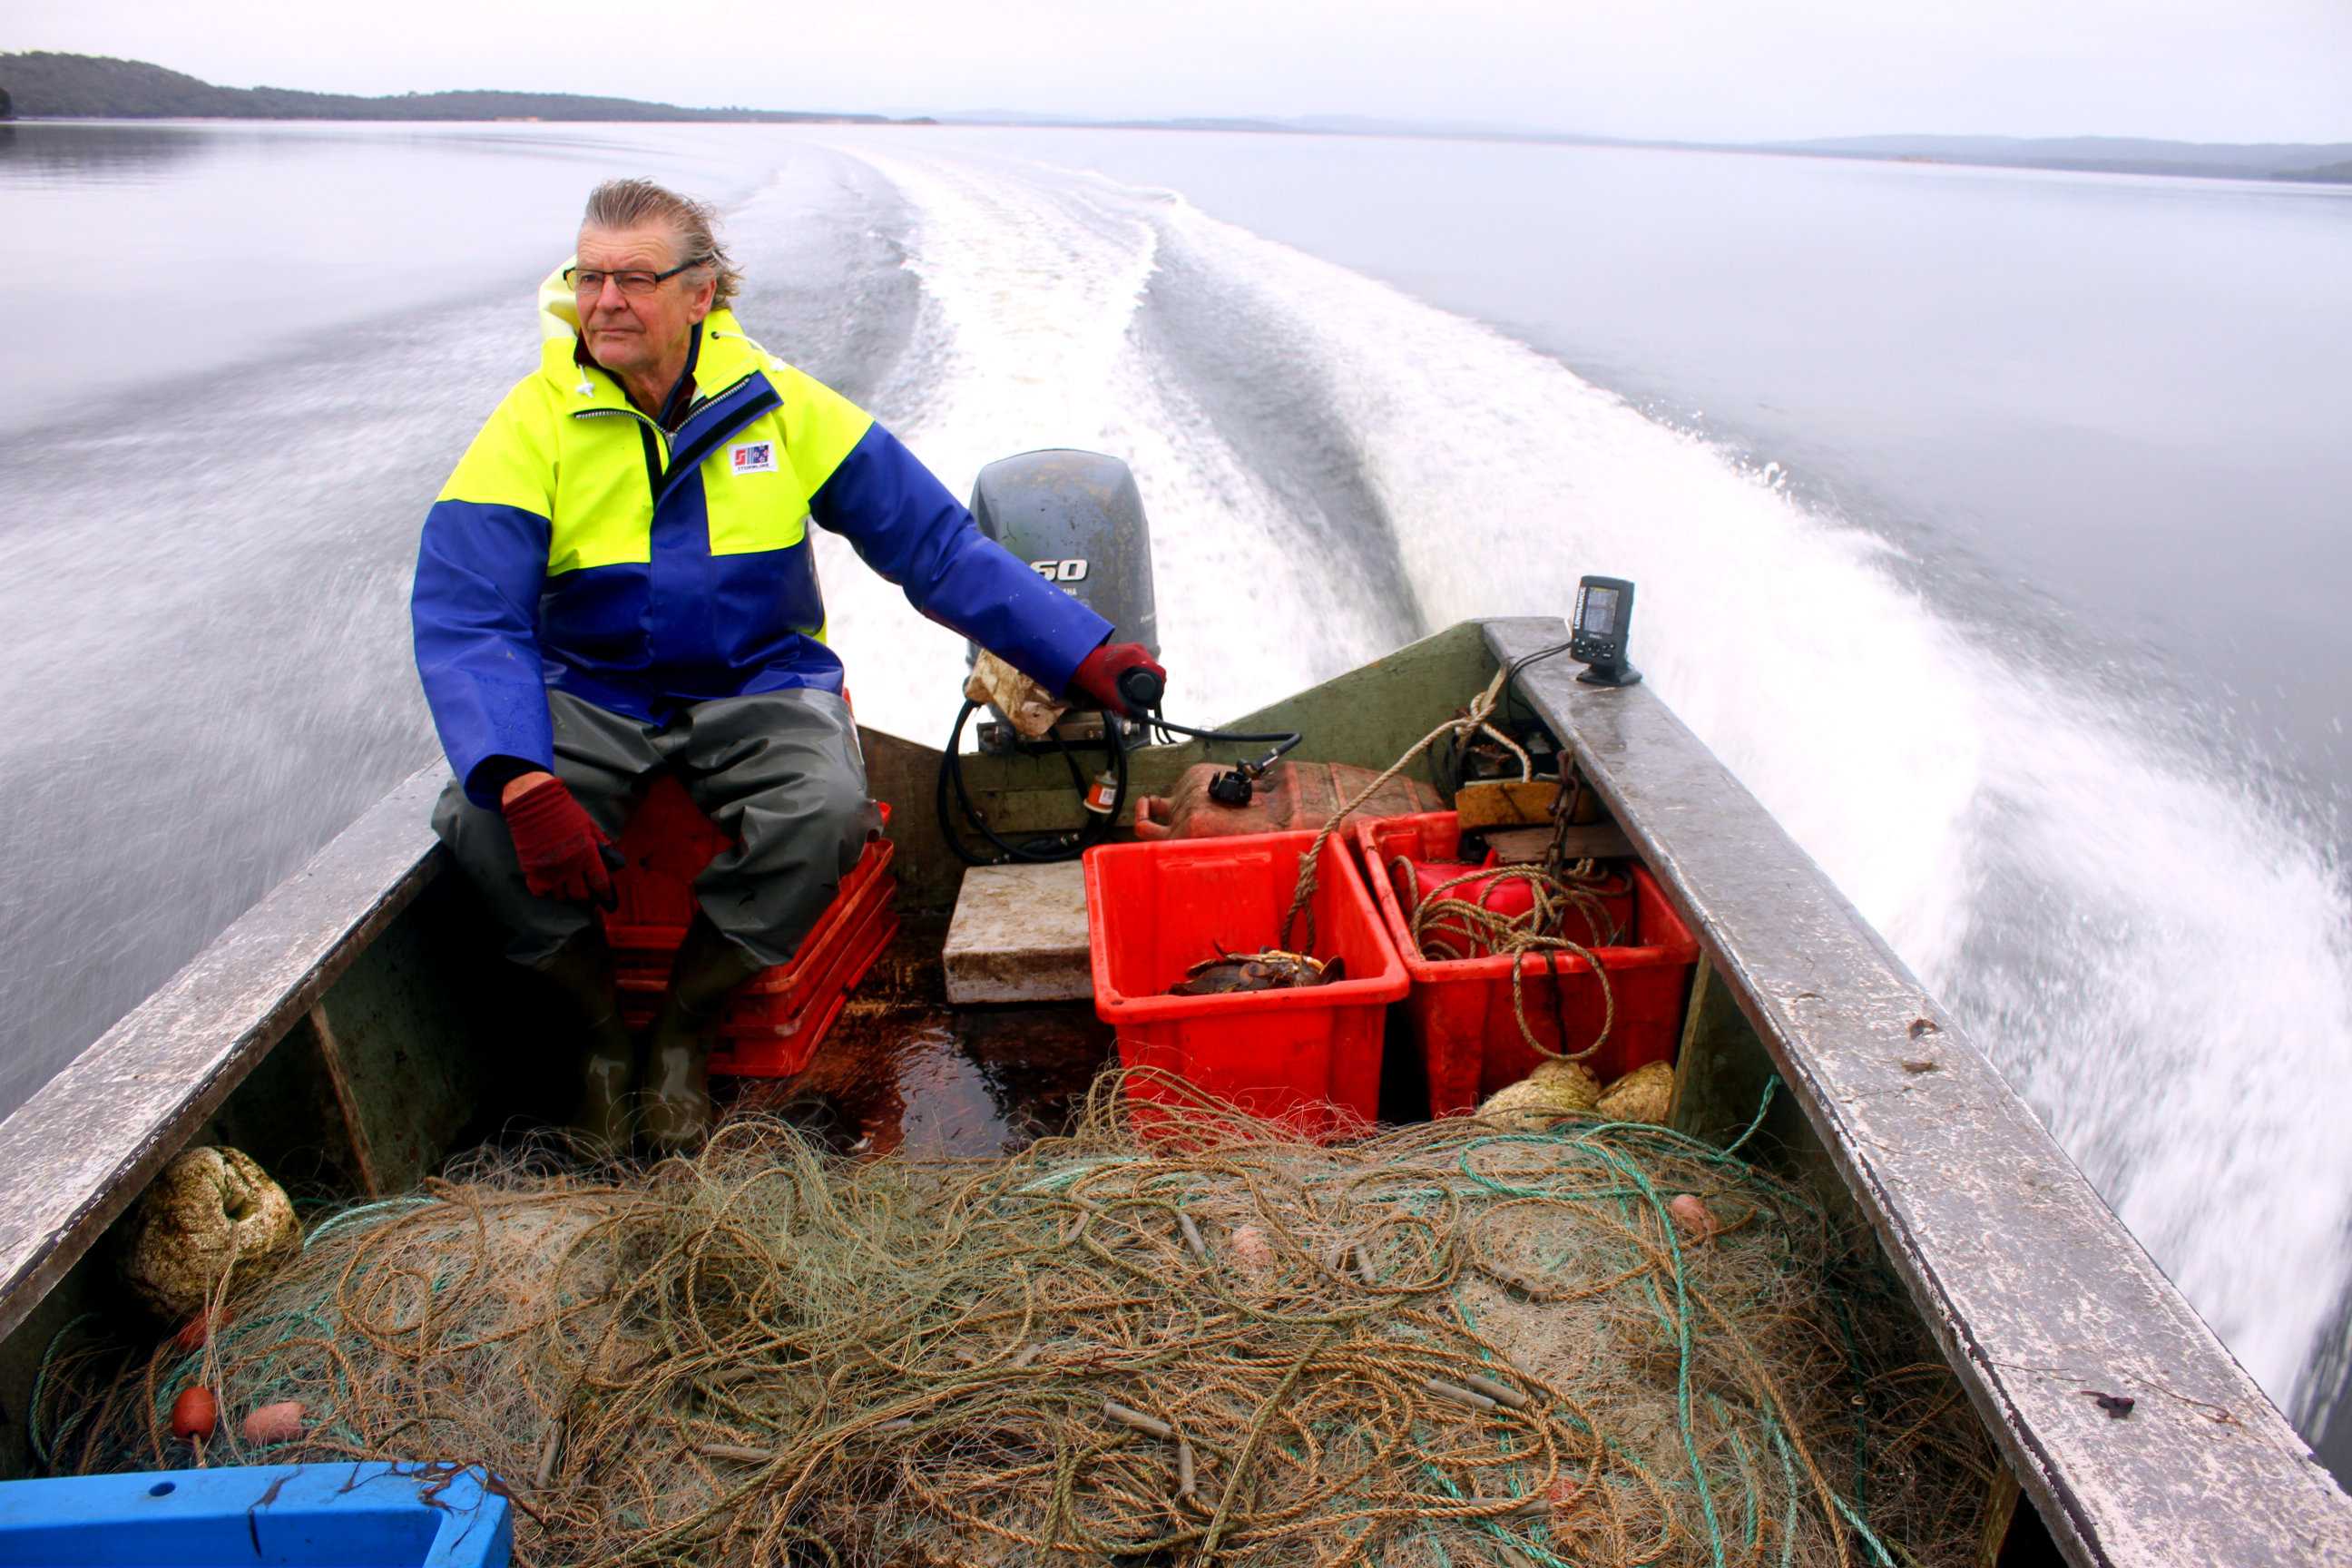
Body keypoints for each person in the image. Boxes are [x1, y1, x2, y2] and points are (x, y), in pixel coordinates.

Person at [411, 178, 1163, 1152]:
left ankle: (684, 1023)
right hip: (586, 690)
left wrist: (1084, 649)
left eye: (633, 278)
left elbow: (935, 547)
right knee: (476, 820)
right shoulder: (535, 421)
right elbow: (470, 615)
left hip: (755, 681)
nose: (602, 302)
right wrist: (515, 771)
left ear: (703, 293)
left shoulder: (781, 404)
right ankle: (600, 1039)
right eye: (588, 276)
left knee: (825, 813)